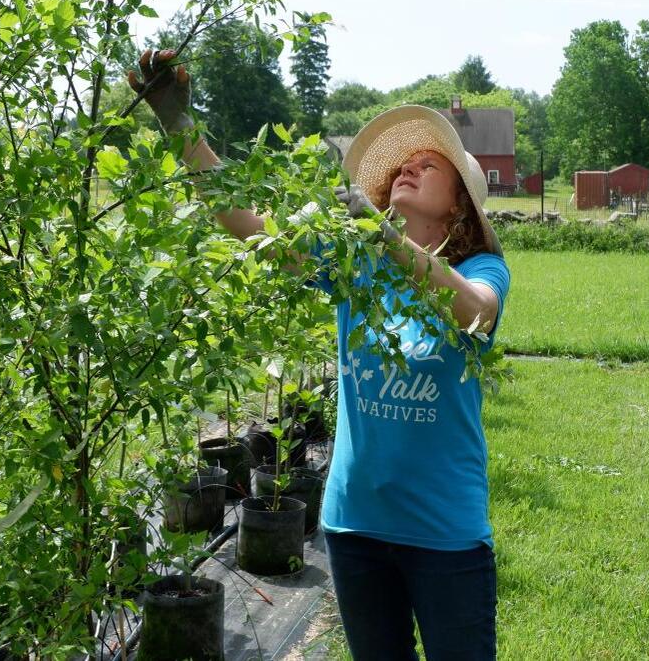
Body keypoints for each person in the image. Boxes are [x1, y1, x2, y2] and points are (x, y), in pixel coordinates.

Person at [130, 49, 510, 661]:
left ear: (459, 203)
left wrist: (387, 240)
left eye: (429, 164)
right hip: (354, 527)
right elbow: (249, 226)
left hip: (446, 536)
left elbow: (476, 312)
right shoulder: (353, 262)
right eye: (403, 164)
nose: (409, 167)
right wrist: (180, 123)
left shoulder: (481, 269)